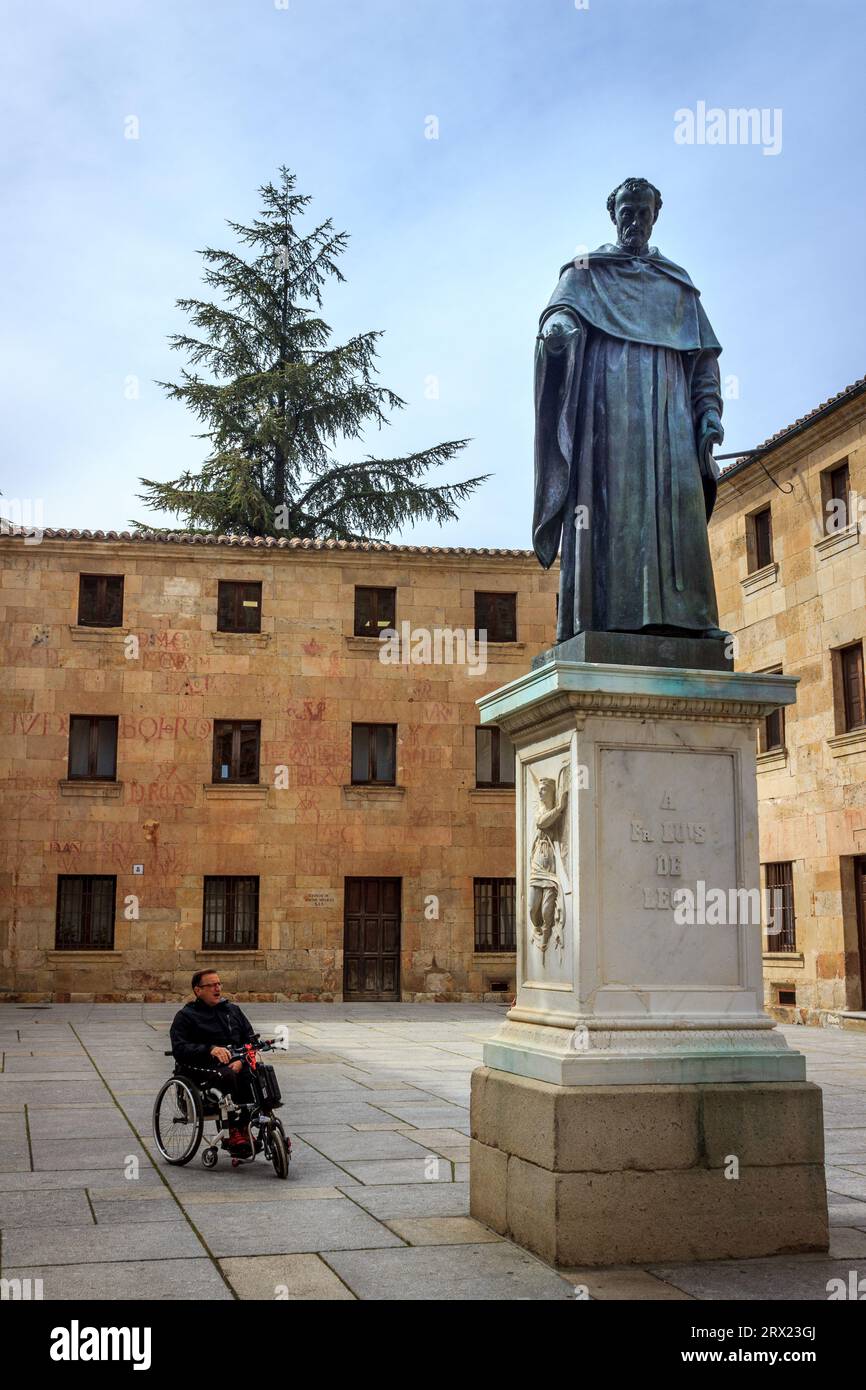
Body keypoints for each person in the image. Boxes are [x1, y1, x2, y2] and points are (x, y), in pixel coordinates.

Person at [533, 176, 726, 644]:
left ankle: (687, 620)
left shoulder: (676, 285)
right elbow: (558, 316)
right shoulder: (587, 273)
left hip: (669, 420)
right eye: (627, 211)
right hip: (607, 416)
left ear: (655, 216)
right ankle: (600, 620)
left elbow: (702, 362)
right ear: (613, 215)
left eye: (643, 212)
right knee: (608, 508)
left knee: (674, 504)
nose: (634, 220)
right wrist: (557, 333)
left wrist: (709, 412)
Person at [170, 969, 259, 1154]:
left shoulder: (232, 1011)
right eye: (211, 985)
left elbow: (250, 1040)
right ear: (198, 990)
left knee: (260, 1070)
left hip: (235, 1062)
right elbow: (179, 1049)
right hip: (202, 1067)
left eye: (219, 984)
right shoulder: (186, 1016)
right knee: (227, 1074)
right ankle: (233, 1131)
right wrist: (210, 1049)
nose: (217, 988)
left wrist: (242, 1060)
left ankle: (258, 1122)